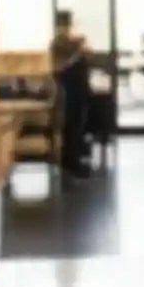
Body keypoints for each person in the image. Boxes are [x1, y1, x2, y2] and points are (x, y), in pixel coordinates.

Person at [51, 10, 93, 178]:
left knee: (77, 125)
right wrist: (77, 52)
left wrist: (82, 50)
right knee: (71, 126)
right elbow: (60, 66)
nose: (66, 28)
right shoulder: (58, 43)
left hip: (78, 90)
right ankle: (71, 161)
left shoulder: (70, 42)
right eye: (63, 24)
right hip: (68, 90)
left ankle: (75, 157)